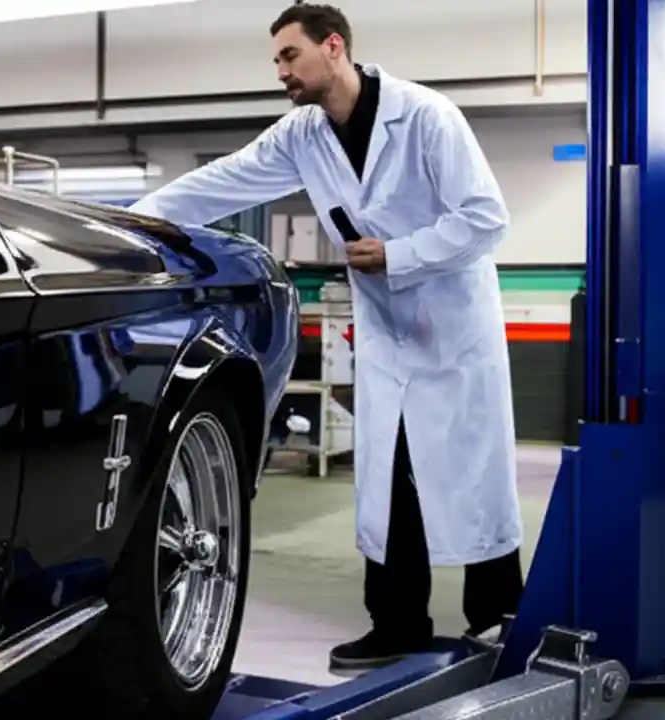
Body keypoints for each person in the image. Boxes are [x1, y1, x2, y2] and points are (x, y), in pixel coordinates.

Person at [128, 3, 525, 670]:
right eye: (277, 60)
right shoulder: (302, 135)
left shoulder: (426, 116)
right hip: (388, 336)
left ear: (332, 47)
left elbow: (487, 219)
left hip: (453, 332)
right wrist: (127, 221)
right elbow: (221, 180)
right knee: (387, 479)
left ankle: (498, 616)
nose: (280, 70)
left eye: (290, 55)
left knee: (470, 473)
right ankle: (396, 623)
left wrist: (400, 255)